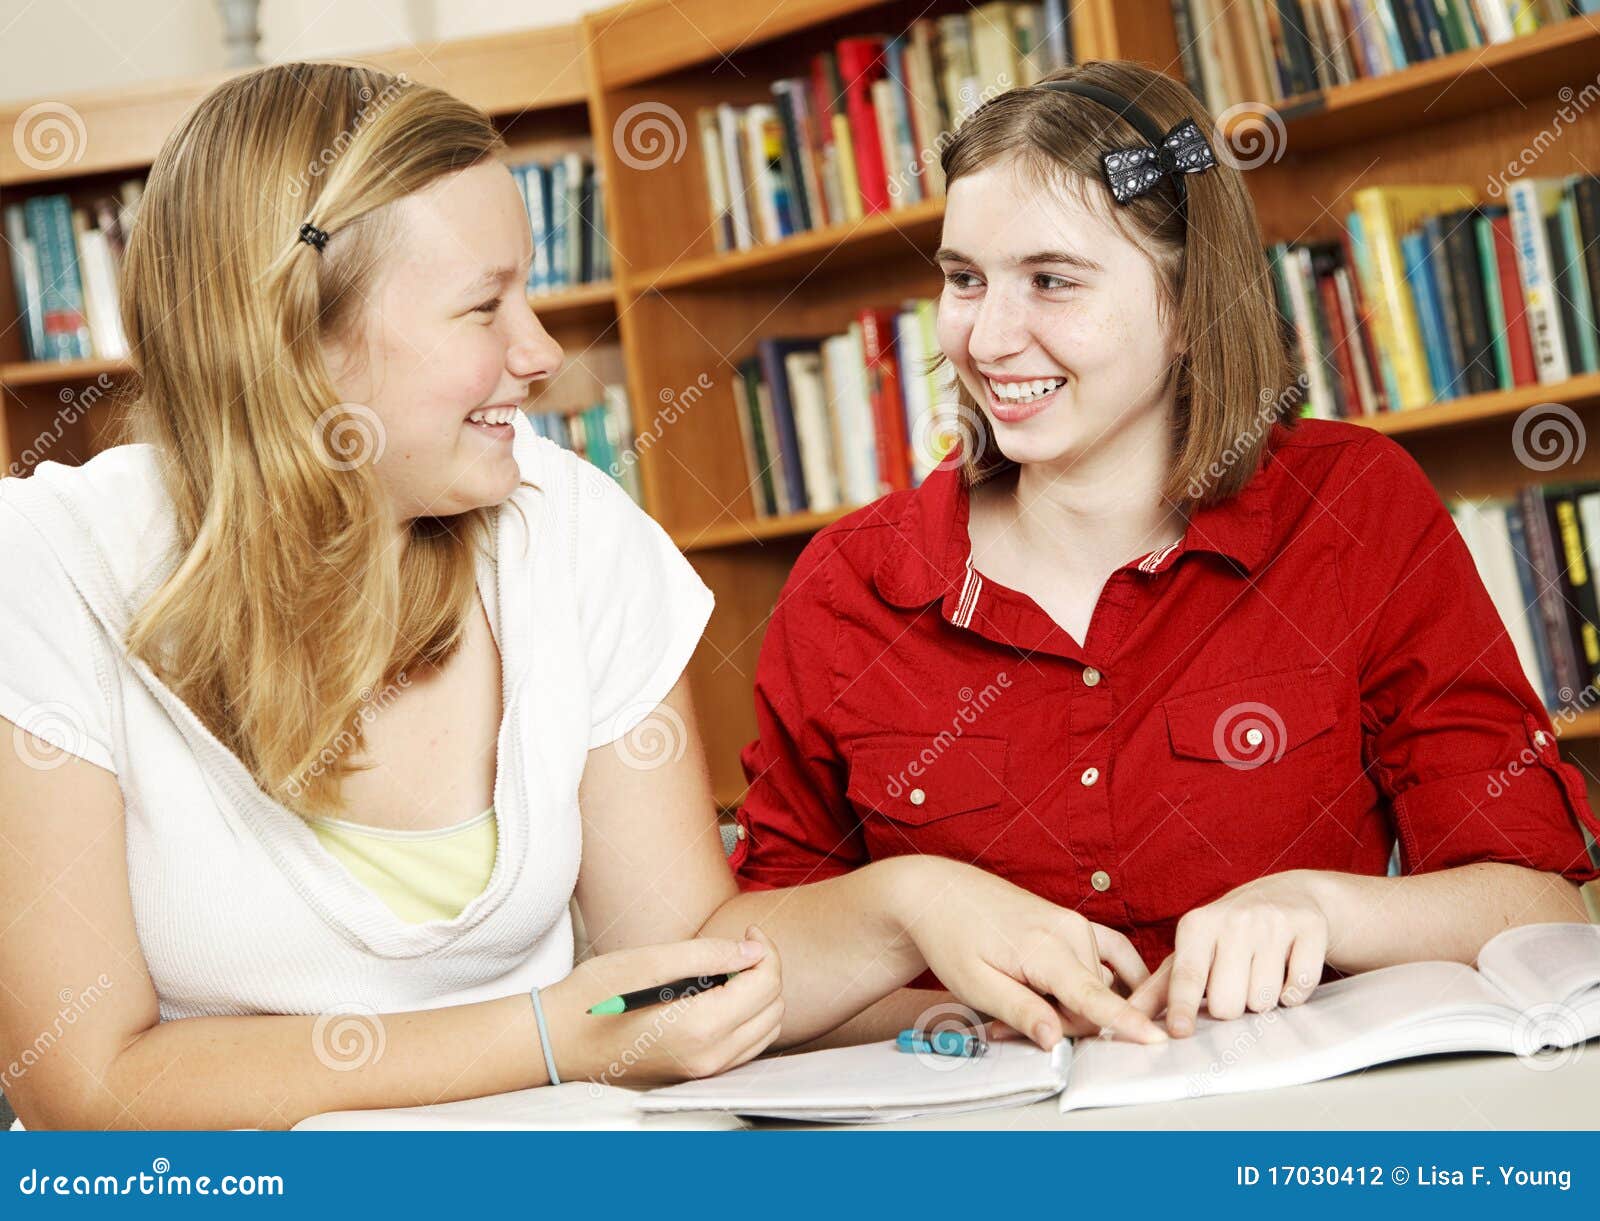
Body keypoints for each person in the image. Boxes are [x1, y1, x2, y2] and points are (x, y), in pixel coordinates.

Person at [0, 63, 1167, 1132]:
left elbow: (683, 962)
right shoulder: (49, 570)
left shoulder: (565, 527)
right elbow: (86, 1087)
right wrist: (555, 1038)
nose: (543, 351)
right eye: (483, 306)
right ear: (296, 343)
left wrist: (912, 905)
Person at [729, 60, 1600, 1046]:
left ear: (1188, 309)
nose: (988, 337)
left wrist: (1320, 911)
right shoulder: (850, 586)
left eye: (1051, 280)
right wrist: (922, 948)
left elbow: (1540, 908)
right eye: (965, 279)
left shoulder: (1353, 508)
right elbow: (749, 967)